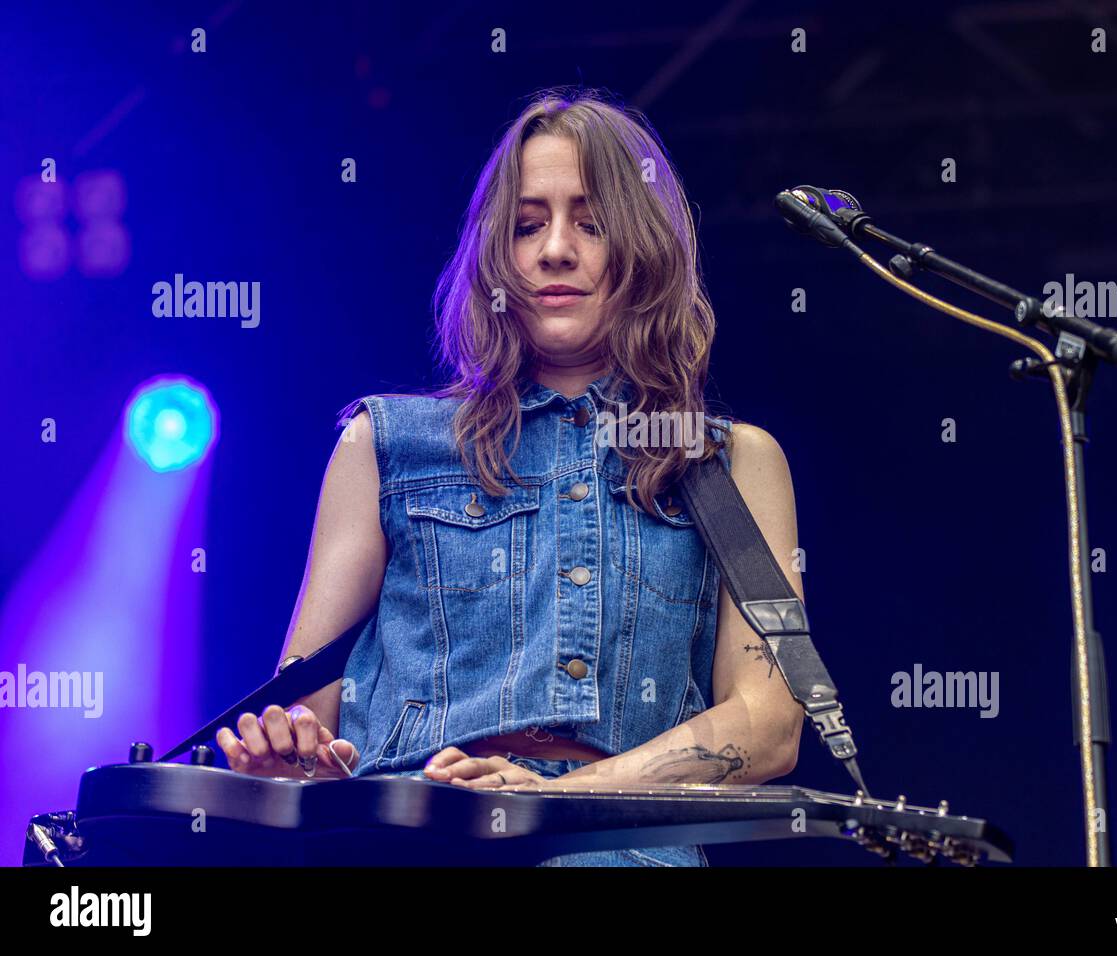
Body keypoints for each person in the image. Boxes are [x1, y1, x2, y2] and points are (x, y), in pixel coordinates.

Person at [216, 86, 805, 866]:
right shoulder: (383, 443)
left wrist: (550, 799)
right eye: (527, 225)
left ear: (649, 250)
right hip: (408, 839)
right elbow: (305, 706)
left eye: (591, 224)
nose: (554, 249)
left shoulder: (731, 463)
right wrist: (284, 753)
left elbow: (770, 721)